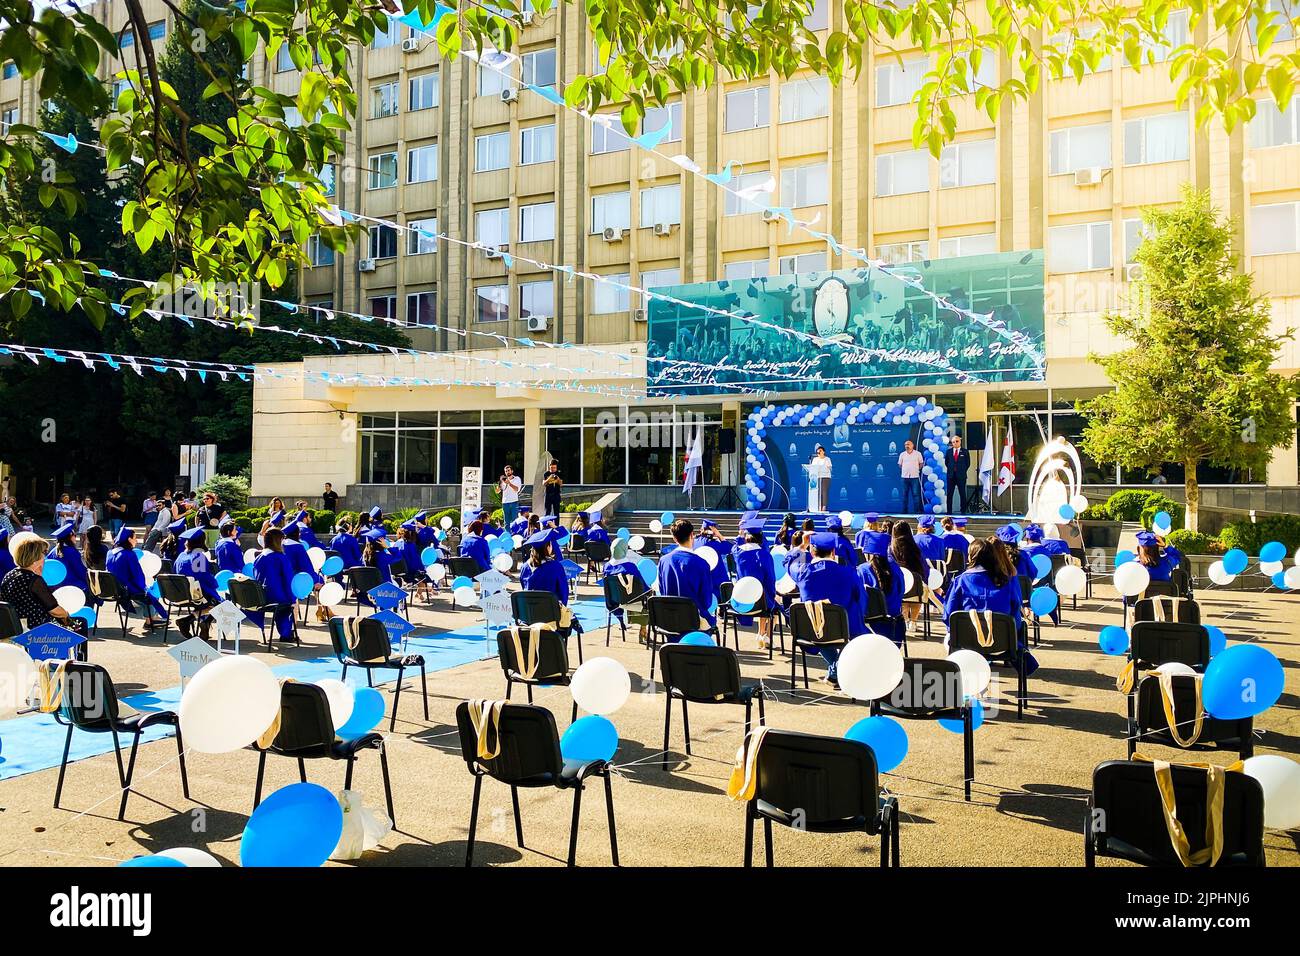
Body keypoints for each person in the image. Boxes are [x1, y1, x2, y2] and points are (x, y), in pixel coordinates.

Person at [943, 537, 1038, 677]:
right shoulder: (1006, 581)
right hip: (1003, 644)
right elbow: (1016, 618)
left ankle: (970, 677)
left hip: (965, 643)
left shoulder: (960, 581)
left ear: (971, 556)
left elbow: (948, 615)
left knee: (951, 637)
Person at [796, 532, 869, 686]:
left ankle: (835, 668)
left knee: (820, 630)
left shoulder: (803, 572)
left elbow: (790, 563)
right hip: (845, 628)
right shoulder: (848, 573)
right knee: (855, 629)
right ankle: (838, 668)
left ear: (812, 551)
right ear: (833, 552)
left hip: (811, 629)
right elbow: (861, 597)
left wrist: (801, 547)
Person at [1, 532, 89, 644]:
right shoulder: (33, 580)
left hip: (12, 628)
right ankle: (75, 659)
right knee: (80, 624)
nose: (44, 557)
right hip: (34, 631)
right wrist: (67, 616)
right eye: (43, 554)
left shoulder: (9, 575)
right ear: (35, 559)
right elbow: (54, 610)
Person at [656, 519, 716, 630]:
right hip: (694, 621)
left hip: (669, 620)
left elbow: (662, 590)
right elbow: (707, 600)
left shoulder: (663, 561)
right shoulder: (701, 563)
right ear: (692, 535)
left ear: (674, 538)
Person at [106, 526, 167, 631]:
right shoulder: (129, 554)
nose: (136, 540)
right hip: (126, 589)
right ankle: (151, 619)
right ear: (129, 539)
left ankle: (151, 618)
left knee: (145, 591)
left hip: (113, 588)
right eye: (135, 538)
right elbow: (137, 574)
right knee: (149, 593)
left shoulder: (109, 553)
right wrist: (144, 587)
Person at [733, 520, 777, 648]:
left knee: (763, 594)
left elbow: (736, 543)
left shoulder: (737, 552)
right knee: (771, 600)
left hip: (742, 600)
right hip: (760, 602)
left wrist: (740, 532)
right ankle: (766, 635)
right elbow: (770, 579)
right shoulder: (764, 555)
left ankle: (761, 633)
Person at [857, 530, 905, 645]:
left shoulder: (862, 570)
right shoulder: (896, 569)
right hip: (894, 627)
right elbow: (901, 591)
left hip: (868, 627)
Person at [173, 527, 220, 639]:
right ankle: (199, 621)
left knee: (206, 600)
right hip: (195, 593)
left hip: (180, 593)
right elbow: (204, 578)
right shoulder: (198, 557)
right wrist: (215, 585)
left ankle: (199, 623)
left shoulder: (181, 556)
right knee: (221, 603)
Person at [252, 528, 298, 641]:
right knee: (288, 603)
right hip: (276, 596)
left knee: (282, 600)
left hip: (260, 597)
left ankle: (286, 632)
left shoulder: (258, 557)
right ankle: (286, 633)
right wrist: (293, 599)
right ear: (278, 540)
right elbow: (288, 580)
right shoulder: (280, 557)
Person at [49, 521, 99, 613]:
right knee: (91, 591)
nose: (76, 537)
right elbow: (80, 571)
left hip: (55, 587)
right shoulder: (71, 551)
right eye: (74, 535)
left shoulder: (53, 551)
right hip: (72, 585)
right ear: (69, 537)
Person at [890, 521, 929, 632]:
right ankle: (913, 621)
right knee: (917, 594)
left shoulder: (890, 548)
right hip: (916, 588)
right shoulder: (916, 548)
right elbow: (924, 568)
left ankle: (906, 620)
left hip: (898, 587)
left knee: (903, 595)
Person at [944, 434, 971, 514]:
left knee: (962, 493)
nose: (955, 443)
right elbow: (947, 463)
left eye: (957, 441)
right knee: (949, 494)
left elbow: (968, 464)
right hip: (951, 476)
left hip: (961, 476)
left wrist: (961, 471)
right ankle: (949, 511)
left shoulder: (965, 451)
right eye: (953, 442)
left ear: (960, 441)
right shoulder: (948, 452)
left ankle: (963, 510)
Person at [898, 439, 924, 513]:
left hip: (914, 477)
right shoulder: (902, 454)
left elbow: (921, 463)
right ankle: (904, 512)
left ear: (913, 445)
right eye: (906, 445)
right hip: (904, 477)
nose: (907, 446)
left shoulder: (918, 454)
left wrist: (915, 469)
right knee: (904, 495)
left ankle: (917, 512)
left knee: (916, 495)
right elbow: (900, 464)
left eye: (908, 444)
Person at [807, 445, 832, 512]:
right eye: (817, 452)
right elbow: (812, 468)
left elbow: (829, 467)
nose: (818, 452)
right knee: (818, 492)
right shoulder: (815, 459)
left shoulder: (827, 459)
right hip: (817, 477)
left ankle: (824, 506)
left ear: (823, 452)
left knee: (824, 492)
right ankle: (819, 506)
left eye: (820, 451)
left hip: (825, 477)